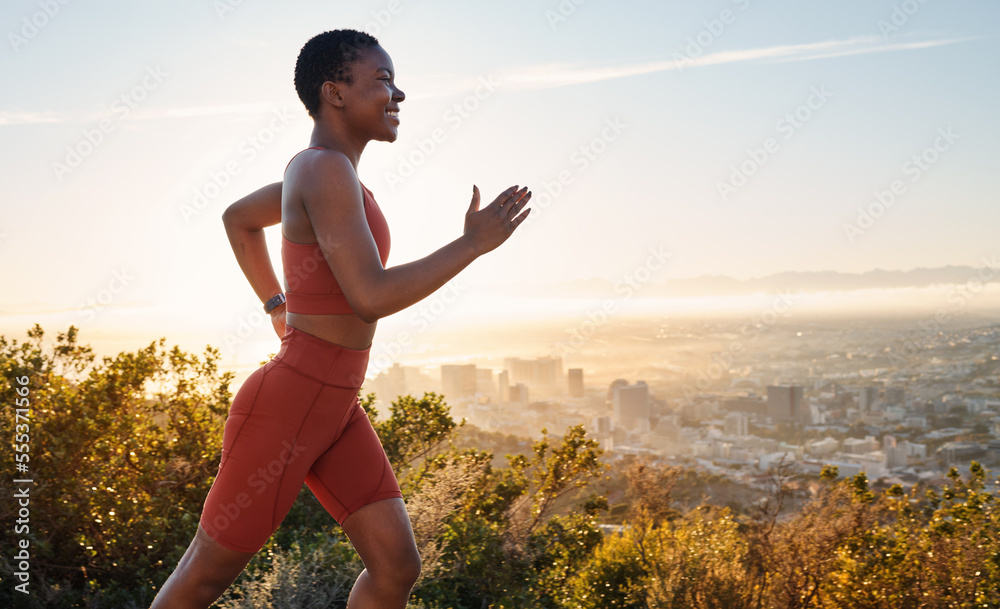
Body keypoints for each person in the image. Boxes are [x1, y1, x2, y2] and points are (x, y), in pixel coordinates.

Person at [150, 29, 531, 609]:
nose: (397, 93)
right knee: (204, 578)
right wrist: (471, 245)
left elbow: (237, 219)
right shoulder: (323, 169)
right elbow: (370, 296)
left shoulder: (333, 176)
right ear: (334, 92)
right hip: (290, 402)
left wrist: (279, 308)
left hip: (334, 405)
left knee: (396, 567)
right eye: (381, 80)